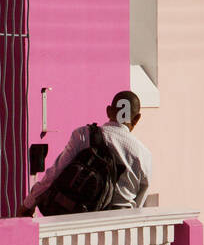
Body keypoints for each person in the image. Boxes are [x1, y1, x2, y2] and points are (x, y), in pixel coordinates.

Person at [17, 90, 152, 216]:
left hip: (83, 218)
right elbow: (139, 204)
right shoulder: (144, 154)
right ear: (137, 118)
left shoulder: (84, 135)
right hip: (121, 226)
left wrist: (29, 203)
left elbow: (55, 173)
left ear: (109, 111)